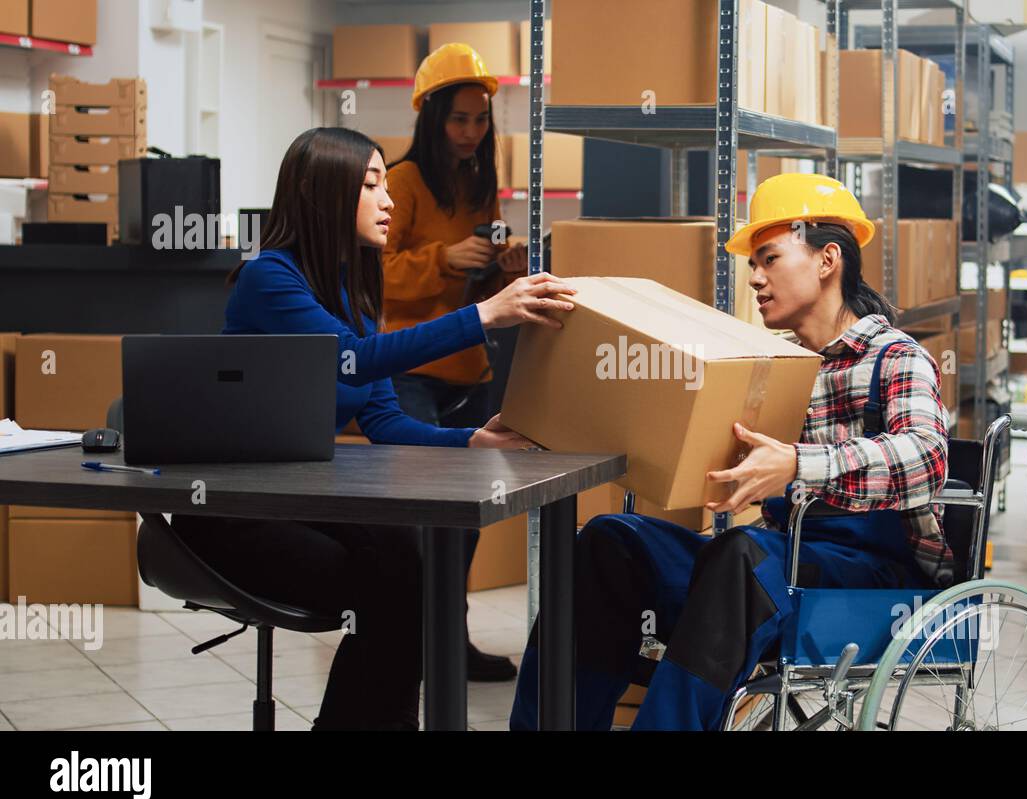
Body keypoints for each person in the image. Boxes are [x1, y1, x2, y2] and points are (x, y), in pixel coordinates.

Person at [509, 173, 952, 731]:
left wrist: (798, 465)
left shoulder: (894, 357)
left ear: (827, 258)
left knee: (741, 554)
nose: (756, 280)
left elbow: (928, 458)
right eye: (753, 267)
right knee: (608, 541)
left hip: (867, 576)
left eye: (769, 259)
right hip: (771, 561)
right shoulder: (769, 361)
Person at [171, 127, 576, 730]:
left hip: (301, 498)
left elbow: (383, 419)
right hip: (234, 510)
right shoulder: (269, 278)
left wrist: (470, 440)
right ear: (323, 194)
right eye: (371, 185)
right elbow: (353, 358)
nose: (388, 201)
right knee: (400, 584)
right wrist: (484, 314)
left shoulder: (352, 289)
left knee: (408, 569)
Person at [381, 43, 527, 681]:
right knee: (422, 519)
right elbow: (374, 273)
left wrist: (503, 264)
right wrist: (443, 258)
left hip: (467, 370)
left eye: (481, 119)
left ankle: (450, 645)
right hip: (411, 369)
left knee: (463, 525)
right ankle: (410, 643)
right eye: (460, 119)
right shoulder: (401, 182)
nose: (472, 132)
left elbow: (482, 274)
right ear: (433, 117)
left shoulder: (478, 185)